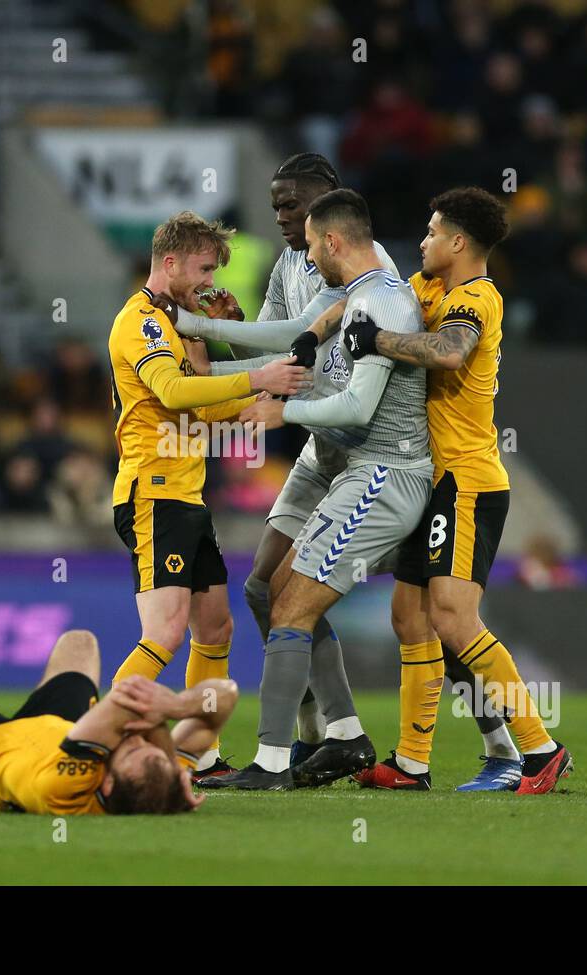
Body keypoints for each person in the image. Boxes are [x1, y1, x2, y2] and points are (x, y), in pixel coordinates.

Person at [164, 153, 398, 769]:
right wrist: (216, 353)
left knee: (427, 615)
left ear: (329, 200)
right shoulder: (288, 263)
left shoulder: (363, 273)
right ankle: (330, 731)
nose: (281, 217)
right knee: (262, 588)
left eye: (291, 203)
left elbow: (301, 349)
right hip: (324, 449)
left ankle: (359, 743)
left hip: (371, 453)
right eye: (274, 205)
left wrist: (194, 334)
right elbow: (276, 352)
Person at [344, 188, 573, 793]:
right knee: (409, 616)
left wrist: (375, 341)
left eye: (430, 231)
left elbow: (448, 352)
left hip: (467, 481)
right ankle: (412, 762)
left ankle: (539, 748)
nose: (421, 242)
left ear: (458, 243)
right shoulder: (428, 290)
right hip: (431, 478)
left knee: (453, 616)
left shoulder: (478, 299)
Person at [204, 188, 432, 790]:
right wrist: (206, 359)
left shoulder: (378, 303)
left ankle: (276, 762)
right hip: (362, 470)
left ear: (332, 241)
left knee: (293, 606)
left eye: (309, 243)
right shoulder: (357, 297)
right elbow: (291, 348)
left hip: (384, 474)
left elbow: (357, 408)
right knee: (277, 592)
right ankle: (331, 738)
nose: (305, 255)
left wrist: (283, 416)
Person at [107, 210, 307, 779]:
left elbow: (202, 407)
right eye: (202, 268)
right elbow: (171, 393)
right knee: (165, 632)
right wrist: (256, 380)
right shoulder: (140, 321)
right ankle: (100, 741)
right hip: (153, 493)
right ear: (169, 262)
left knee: (215, 627)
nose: (209, 281)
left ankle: (197, 753)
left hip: (187, 497)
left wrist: (263, 391)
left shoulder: (178, 325)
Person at [0, 609, 238, 815]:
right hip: (51, 730)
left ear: (107, 782)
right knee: (79, 642)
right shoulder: (152, 776)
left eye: (131, 748)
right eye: (150, 749)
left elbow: (125, 699)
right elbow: (226, 696)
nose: (135, 739)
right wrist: (176, 721)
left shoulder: (67, 788)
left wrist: (165, 715)